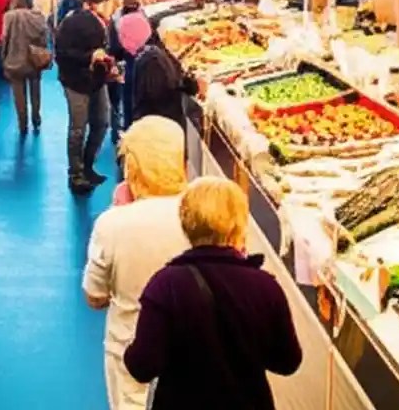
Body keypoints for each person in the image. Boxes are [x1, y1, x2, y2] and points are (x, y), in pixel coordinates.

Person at [124, 177, 302, 410]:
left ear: (187, 223)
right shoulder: (266, 287)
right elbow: (287, 362)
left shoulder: (165, 285)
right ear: (239, 223)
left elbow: (142, 367)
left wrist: (131, 346)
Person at [83, 117, 190, 410]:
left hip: (127, 346)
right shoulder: (199, 219)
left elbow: (95, 296)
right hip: (189, 349)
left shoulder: (112, 224)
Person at [56, 0, 114, 194]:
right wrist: (89, 57)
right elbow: (61, 53)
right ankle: (76, 173)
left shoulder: (102, 23)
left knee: (101, 122)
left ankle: (88, 165)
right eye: (105, 3)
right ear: (92, 5)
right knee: (78, 128)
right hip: (76, 83)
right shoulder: (71, 23)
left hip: (96, 80)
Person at [2, 0, 50, 135]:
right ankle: (36, 117)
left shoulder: (9, 16)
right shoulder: (38, 16)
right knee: (35, 90)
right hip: (34, 59)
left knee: (18, 94)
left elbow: (5, 38)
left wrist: (4, 57)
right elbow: (44, 38)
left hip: (15, 59)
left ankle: (22, 123)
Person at [132, 34, 198, 127]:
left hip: (151, 121)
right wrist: (192, 85)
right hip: (164, 122)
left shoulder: (145, 56)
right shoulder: (154, 60)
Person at [111, 0, 153, 136]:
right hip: (145, 63)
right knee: (143, 97)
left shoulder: (118, 20)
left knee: (126, 98)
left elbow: (114, 47)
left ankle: (126, 130)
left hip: (127, 63)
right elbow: (151, 40)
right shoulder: (144, 19)